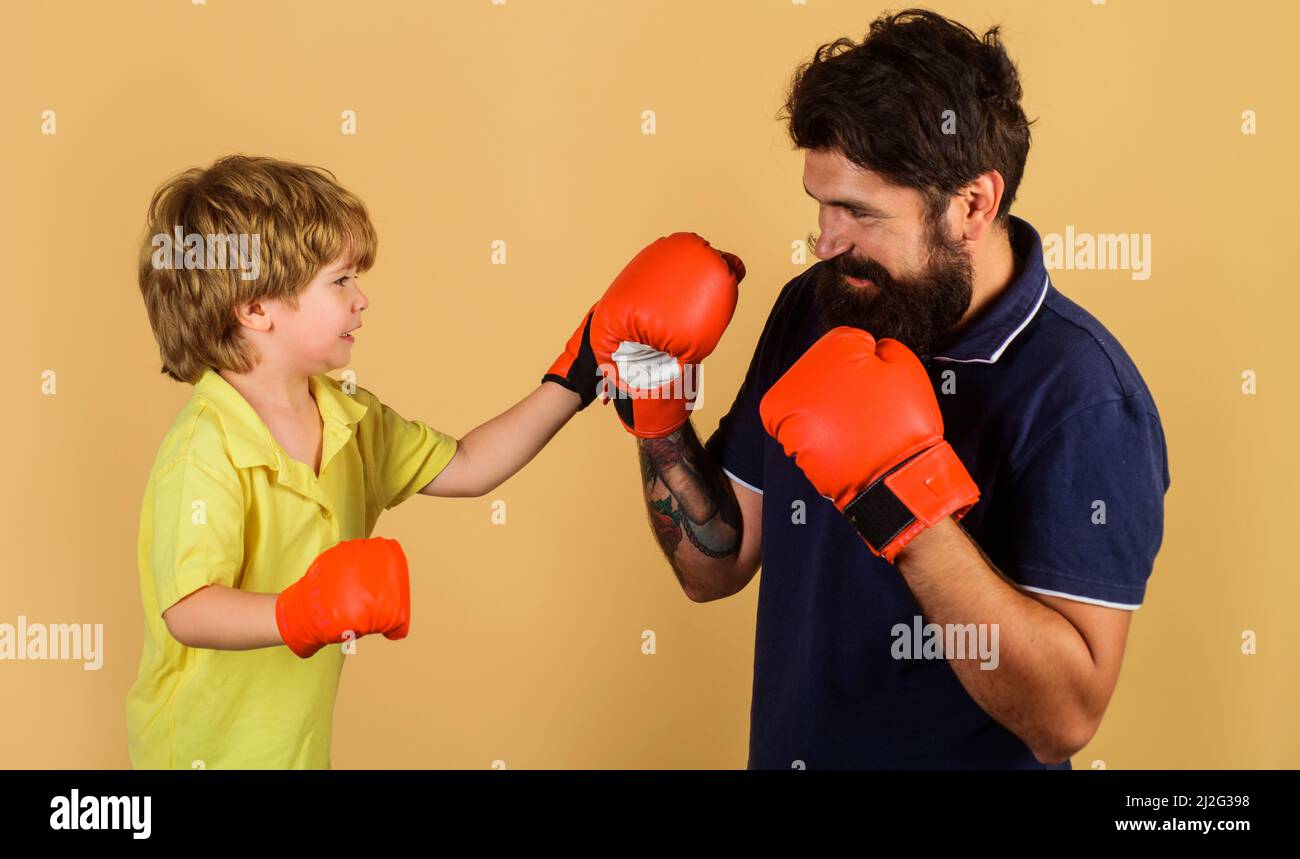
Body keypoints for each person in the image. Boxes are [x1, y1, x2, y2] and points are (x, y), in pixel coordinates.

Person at [611, 9, 1170, 769]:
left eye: (858, 211)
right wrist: (657, 407)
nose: (824, 238)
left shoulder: (1083, 395)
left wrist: (902, 499)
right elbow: (713, 567)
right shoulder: (819, 305)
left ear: (972, 204)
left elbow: (1064, 719)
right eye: (820, 201)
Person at [127, 153, 742, 768]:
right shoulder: (205, 447)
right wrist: (299, 612)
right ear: (256, 307)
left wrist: (582, 366)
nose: (361, 299)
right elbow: (188, 608)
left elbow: (470, 464)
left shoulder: (348, 416)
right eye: (339, 281)